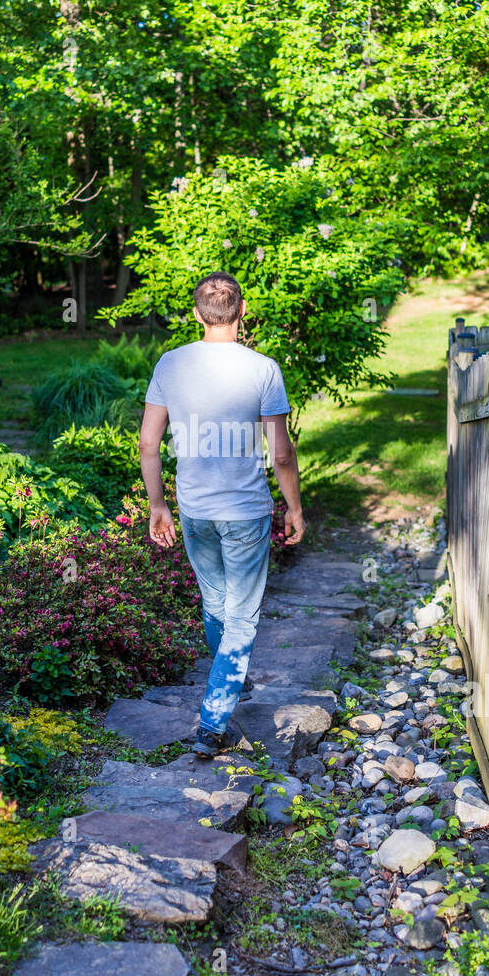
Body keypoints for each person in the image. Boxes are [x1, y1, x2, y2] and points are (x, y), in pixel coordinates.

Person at [138, 270, 306, 758]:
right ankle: (213, 723)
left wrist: (157, 504)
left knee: (217, 603)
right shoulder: (263, 369)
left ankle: (228, 680)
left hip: (194, 509)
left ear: (197, 315)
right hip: (246, 511)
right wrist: (294, 507)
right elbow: (280, 454)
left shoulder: (171, 364)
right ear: (243, 312)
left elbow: (149, 443)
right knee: (242, 618)